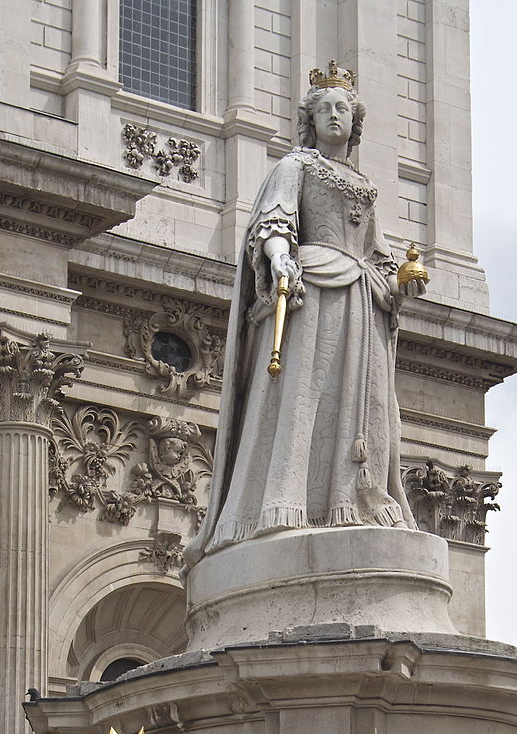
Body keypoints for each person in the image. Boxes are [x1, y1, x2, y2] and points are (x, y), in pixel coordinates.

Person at [185, 62, 423, 568]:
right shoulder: (294, 167)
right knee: (305, 395)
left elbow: (378, 253)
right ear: (309, 120)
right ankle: (288, 502)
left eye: (342, 109)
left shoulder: (364, 187)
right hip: (313, 290)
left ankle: (350, 498)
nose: (334, 116)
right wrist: (279, 257)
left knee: (363, 406)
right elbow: (273, 222)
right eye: (324, 109)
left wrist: (401, 281)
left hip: (362, 298)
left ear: (354, 121)